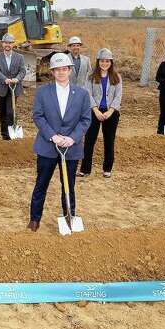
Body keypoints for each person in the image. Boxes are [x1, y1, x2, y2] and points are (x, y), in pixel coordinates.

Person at [27, 53, 92, 231]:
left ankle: (69, 216)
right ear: (52, 72)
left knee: (68, 186)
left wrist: (72, 138)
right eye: (57, 69)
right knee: (41, 183)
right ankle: (34, 219)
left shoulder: (82, 94)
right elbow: (38, 116)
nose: (61, 72)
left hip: (71, 148)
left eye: (65, 69)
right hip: (47, 146)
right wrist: (52, 136)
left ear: (70, 71)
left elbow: (86, 120)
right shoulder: (42, 92)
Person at [79, 48, 122, 177]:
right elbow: (88, 93)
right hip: (94, 111)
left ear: (111, 62)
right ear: (98, 62)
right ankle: (85, 169)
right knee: (89, 140)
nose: (105, 63)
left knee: (109, 140)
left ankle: (107, 168)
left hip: (111, 112)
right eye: (102, 61)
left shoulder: (116, 77)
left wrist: (111, 111)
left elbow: (118, 96)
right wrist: (95, 110)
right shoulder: (90, 76)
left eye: (107, 61)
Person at [0, 33, 26, 140]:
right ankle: (4, 134)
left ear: (13, 44)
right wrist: (4, 79)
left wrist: (17, 79)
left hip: (14, 89)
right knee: (2, 112)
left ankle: (12, 134)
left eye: (10, 43)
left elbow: (23, 71)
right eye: (6, 42)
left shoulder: (20, 57)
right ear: (2, 44)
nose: (8, 45)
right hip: (1, 88)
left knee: (11, 112)